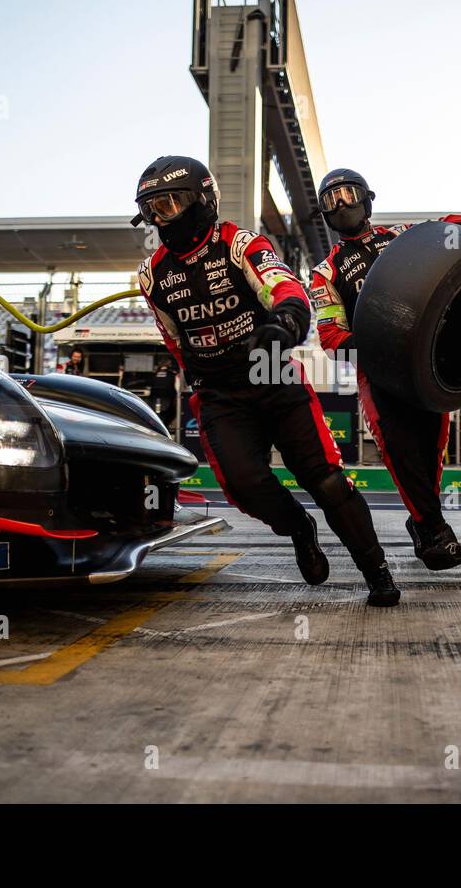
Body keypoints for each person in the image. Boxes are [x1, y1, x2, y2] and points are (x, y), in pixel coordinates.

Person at [133, 155, 399, 606]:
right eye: (156, 208)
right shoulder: (151, 274)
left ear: (202, 200)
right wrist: (199, 380)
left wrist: (285, 322)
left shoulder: (240, 242)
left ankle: (377, 571)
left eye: (174, 202)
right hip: (219, 393)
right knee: (241, 483)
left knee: (326, 480)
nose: (165, 216)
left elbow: (286, 287)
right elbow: (173, 340)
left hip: (272, 371)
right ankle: (299, 527)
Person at [308, 167, 461, 570]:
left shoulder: (402, 234)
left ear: (367, 197)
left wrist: (459, 230)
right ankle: (434, 528)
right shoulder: (324, 272)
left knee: (429, 449)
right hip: (380, 372)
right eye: (332, 199)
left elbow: (460, 226)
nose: (343, 204)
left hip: (428, 362)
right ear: (324, 213)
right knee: (399, 449)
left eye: (349, 194)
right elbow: (332, 338)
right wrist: (379, 346)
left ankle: (421, 521)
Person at [149, 359, 178, 432]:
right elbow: (177, 389)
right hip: (168, 402)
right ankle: (165, 427)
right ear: (169, 365)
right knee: (171, 414)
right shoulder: (173, 375)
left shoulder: (153, 375)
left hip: (154, 402)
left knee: (157, 416)